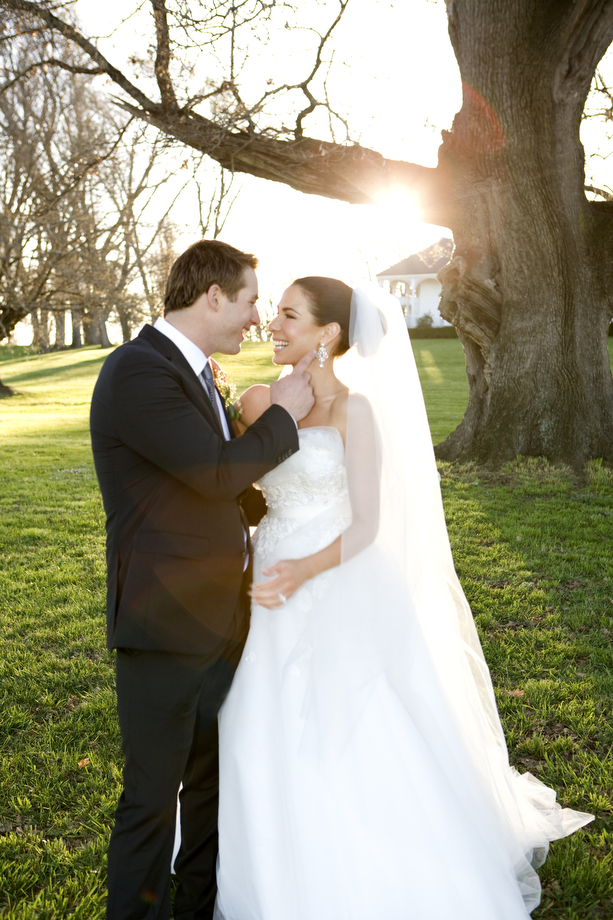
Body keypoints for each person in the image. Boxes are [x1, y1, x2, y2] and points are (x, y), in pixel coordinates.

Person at [213, 277, 593, 920]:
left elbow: (368, 526)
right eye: (272, 311)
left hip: (328, 581)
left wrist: (301, 569)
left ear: (328, 333)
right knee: (258, 715)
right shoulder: (254, 400)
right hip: (265, 582)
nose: (271, 324)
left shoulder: (354, 413)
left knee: (347, 721)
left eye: (288, 314)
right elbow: (233, 487)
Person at [89, 239, 316, 920]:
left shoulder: (192, 371)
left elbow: (222, 493)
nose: (256, 318)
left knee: (209, 797)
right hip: (164, 624)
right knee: (152, 803)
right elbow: (214, 472)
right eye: (250, 301)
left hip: (222, 620)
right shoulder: (137, 371)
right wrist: (284, 415)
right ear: (212, 295)